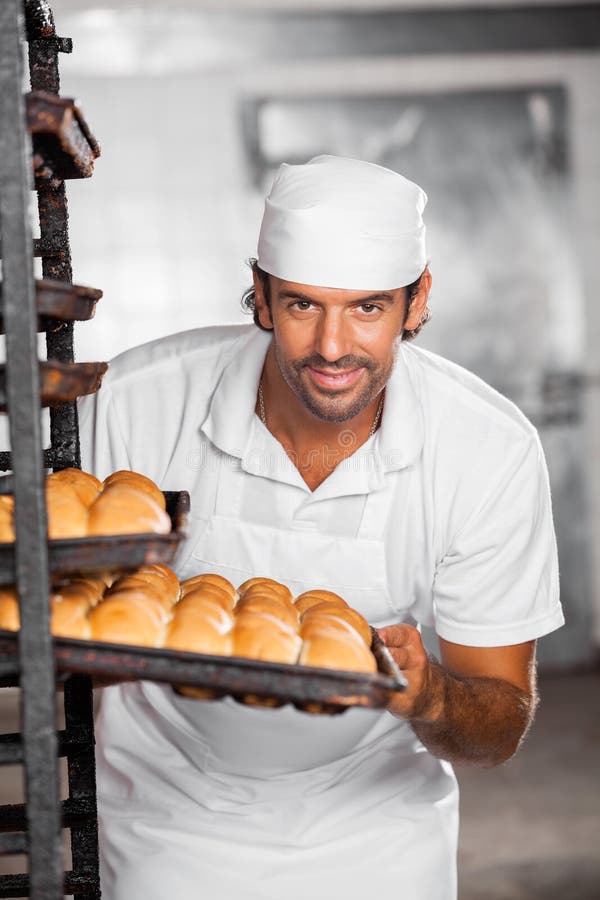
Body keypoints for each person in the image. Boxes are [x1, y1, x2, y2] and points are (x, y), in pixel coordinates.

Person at [78, 155, 563, 900]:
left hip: (377, 830)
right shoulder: (135, 405)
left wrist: (430, 694)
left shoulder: (486, 449)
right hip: (167, 819)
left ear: (417, 300)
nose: (333, 347)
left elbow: (500, 720)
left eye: (367, 308)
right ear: (263, 297)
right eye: (303, 306)